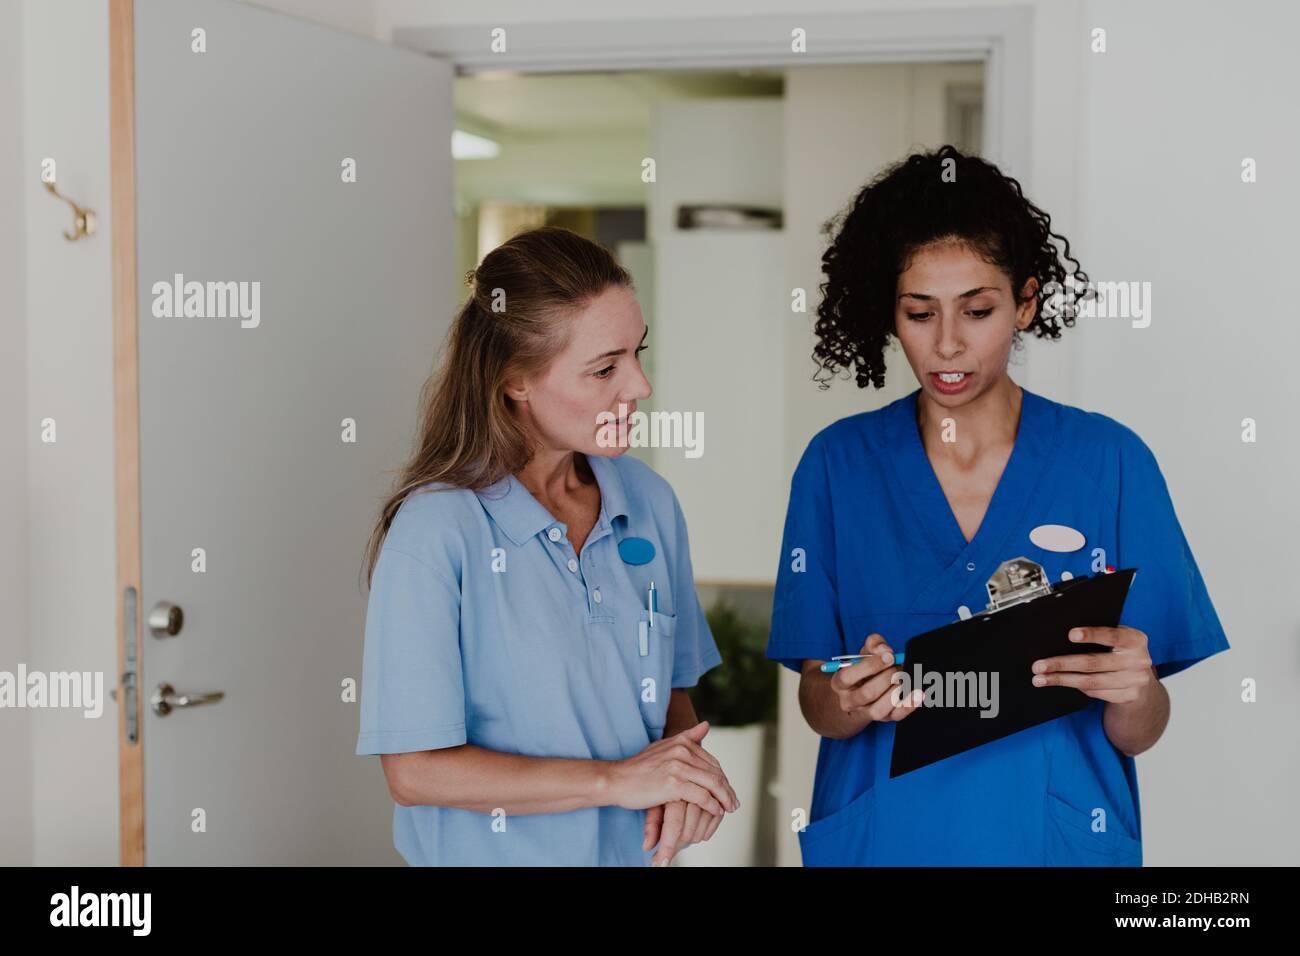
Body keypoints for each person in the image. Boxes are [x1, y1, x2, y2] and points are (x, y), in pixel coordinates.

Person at [768, 145, 1229, 866]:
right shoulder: (839, 466)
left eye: (978, 310)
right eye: (920, 313)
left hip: (1054, 842)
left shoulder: (1108, 462)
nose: (947, 344)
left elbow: (1138, 728)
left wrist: (1135, 690)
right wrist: (847, 698)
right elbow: (819, 706)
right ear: (889, 312)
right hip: (888, 839)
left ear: (1026, 301)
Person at [356, 226, 736, 866]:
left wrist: (685, 776)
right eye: (605, 368)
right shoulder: (438, 530)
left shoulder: (649, 503)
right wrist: (615, 781)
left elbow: (670, 698)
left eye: (638, 353)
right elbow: (415, 771)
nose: (639, 386)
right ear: (515, 381)